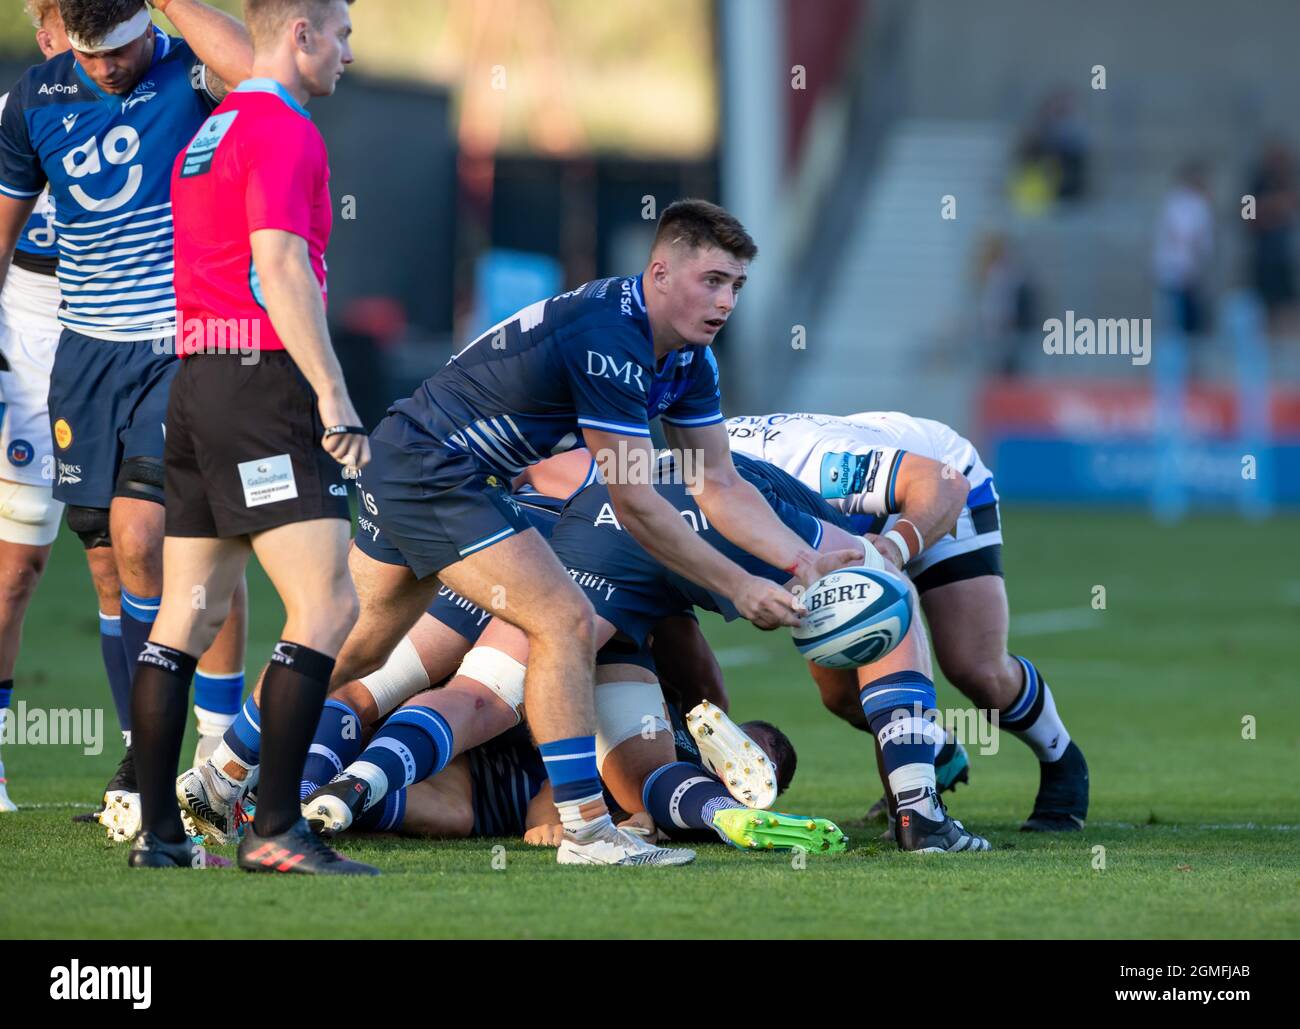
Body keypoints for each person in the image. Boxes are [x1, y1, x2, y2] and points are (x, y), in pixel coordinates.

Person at [328, 199, 855, 866]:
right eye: (712, 281)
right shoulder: (614, 337)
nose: (726, 302)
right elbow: (634, 501)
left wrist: (799, 559)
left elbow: (719, 486)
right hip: (448, 476)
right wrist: (741, 583)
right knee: (544, 633)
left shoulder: (688, 363)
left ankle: (232, 775)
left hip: (448, 478)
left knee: (353, 649)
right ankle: (586, 833)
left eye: (736, 286)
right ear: (660, 273)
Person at [126, 0, 373, 874]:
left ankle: (161, 836)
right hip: (262, 385)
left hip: (198, 383)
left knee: (186, 614)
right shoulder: (284, 129)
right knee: (329, 605)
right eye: (342, 34)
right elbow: (279, 265)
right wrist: (333, 394)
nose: (349, 53)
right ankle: (273, 828)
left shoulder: (212, 131)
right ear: (302, 34)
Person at [0, 0, 252, 835]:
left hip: (179, 344)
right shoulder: (34, 100)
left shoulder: (190, 69)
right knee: (109, 557)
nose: (106, 68)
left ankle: (200, 751)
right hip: (83, 358)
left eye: (118, 49)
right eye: (89, 53)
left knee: (153, 537)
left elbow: (259, 70)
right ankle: (146, 753)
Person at [727, 410, 1089, 832]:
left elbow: (946, 483)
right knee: (842, 696)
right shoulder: (689, 480)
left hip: (939, 486)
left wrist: (896, 547)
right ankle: (933, 749)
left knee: (976, 668)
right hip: (839, 525)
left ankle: (1060, 757)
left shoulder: (820, 466)